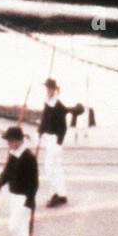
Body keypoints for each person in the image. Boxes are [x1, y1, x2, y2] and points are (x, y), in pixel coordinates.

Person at [0, 126, 38, 236]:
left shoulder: (28, 157)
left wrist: (30, 199)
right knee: (20, 227)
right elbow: (7, 173)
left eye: (10, 141)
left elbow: (34, 182)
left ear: (17, 141)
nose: (8, 144)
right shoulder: (14, 154)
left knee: (13, 226)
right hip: (13, 195)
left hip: (23, 197)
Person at [38, 79, 69, 207]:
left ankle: (57, 193)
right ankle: (60, 193)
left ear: (55, 89)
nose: (48, 91)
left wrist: (58, 142)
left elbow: (63, 126)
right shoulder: (48, 102)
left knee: (50, 167)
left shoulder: (58, 106)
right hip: (49, 138)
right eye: (47, 88)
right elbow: (44, 120)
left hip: (55, 140)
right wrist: (40, 132)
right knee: (56, 168)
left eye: (50, 89)